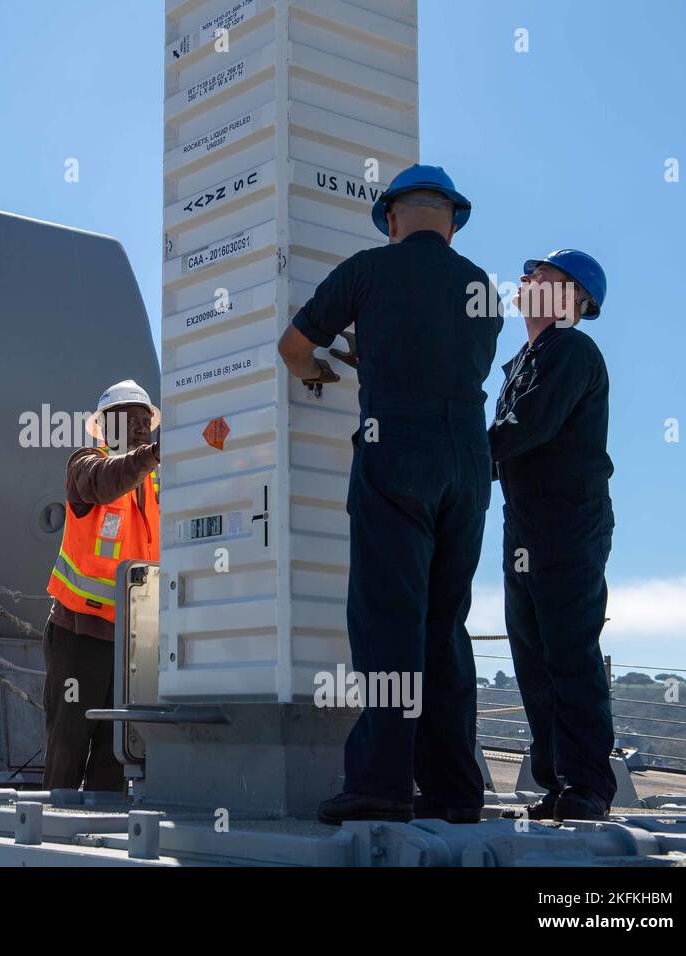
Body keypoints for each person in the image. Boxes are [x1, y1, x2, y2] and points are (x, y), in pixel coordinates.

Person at [278, 164, 501, 825]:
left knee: (387, 620)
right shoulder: (481, 286)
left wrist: (322, 369)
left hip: (395, 446)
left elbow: (292, 347)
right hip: (468, 456)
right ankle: (456, 789)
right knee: (445, 625)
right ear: (452, 221)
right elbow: (446, 355)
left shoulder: (368, 270)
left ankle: (379, 782)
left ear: (394, 217)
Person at [490, 249, 615, 822]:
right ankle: (558, 784)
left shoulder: (570, 350)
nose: (526, 282)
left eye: (542, 277)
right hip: (526, 521)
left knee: (567, 650)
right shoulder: (524, 359)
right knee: (534, 656)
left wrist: (450, 451)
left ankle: (586, 785)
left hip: (568, 522)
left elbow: (527, 427)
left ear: (573, 298)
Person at [44, 380, 160, 792]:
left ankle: (100, 831)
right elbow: (107, 480)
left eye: (147, 420)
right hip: (80, 632)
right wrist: (153, 455)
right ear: (106, 426)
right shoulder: (86, 466)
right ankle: (55, 826)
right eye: (132, 419)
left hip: (133, 641)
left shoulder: (156, 482)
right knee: (69, 741)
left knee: (121, 748)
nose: (143, 427)